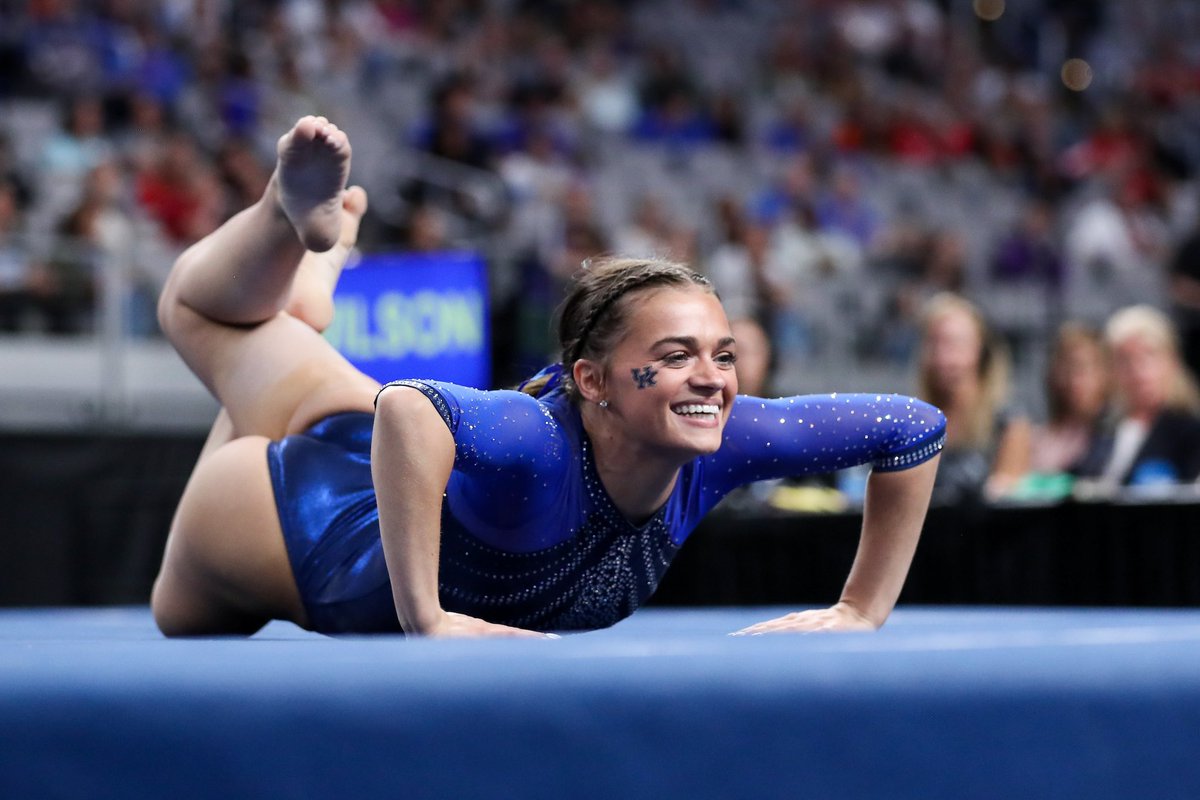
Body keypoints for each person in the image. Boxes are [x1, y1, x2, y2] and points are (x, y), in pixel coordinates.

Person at [151, 116, 945, 639]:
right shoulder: (539, 440)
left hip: (367, 457)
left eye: (723, 353)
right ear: (592, 381)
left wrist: (858, 611)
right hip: (290, 522)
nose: (712, 380)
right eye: (674, 356)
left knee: (231, 319)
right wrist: (427, 620)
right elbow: (406, 409)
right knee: (191, 314)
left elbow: (914, 429)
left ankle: (311, 255)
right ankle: (287, 224)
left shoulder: (725, 436)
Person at [915, 293, 1030, 504]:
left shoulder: (1008, 423)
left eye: (954, 344)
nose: (943, 357)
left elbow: (1008, 500)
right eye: (935, 343)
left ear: (980, 350)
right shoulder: (914, 424)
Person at [1075, 305, 1200, 490]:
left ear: (1172, 362)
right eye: (1125, 360)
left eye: (1148, 356)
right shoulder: (1104, 425)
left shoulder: (1189, 428)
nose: (1138, 371)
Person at [1029, 323, 1111, 475]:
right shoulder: (1035, 439)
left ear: (1105, 373)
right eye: (1065, 368)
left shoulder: (1117, 436)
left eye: (1082, 368)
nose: (1073, 380)